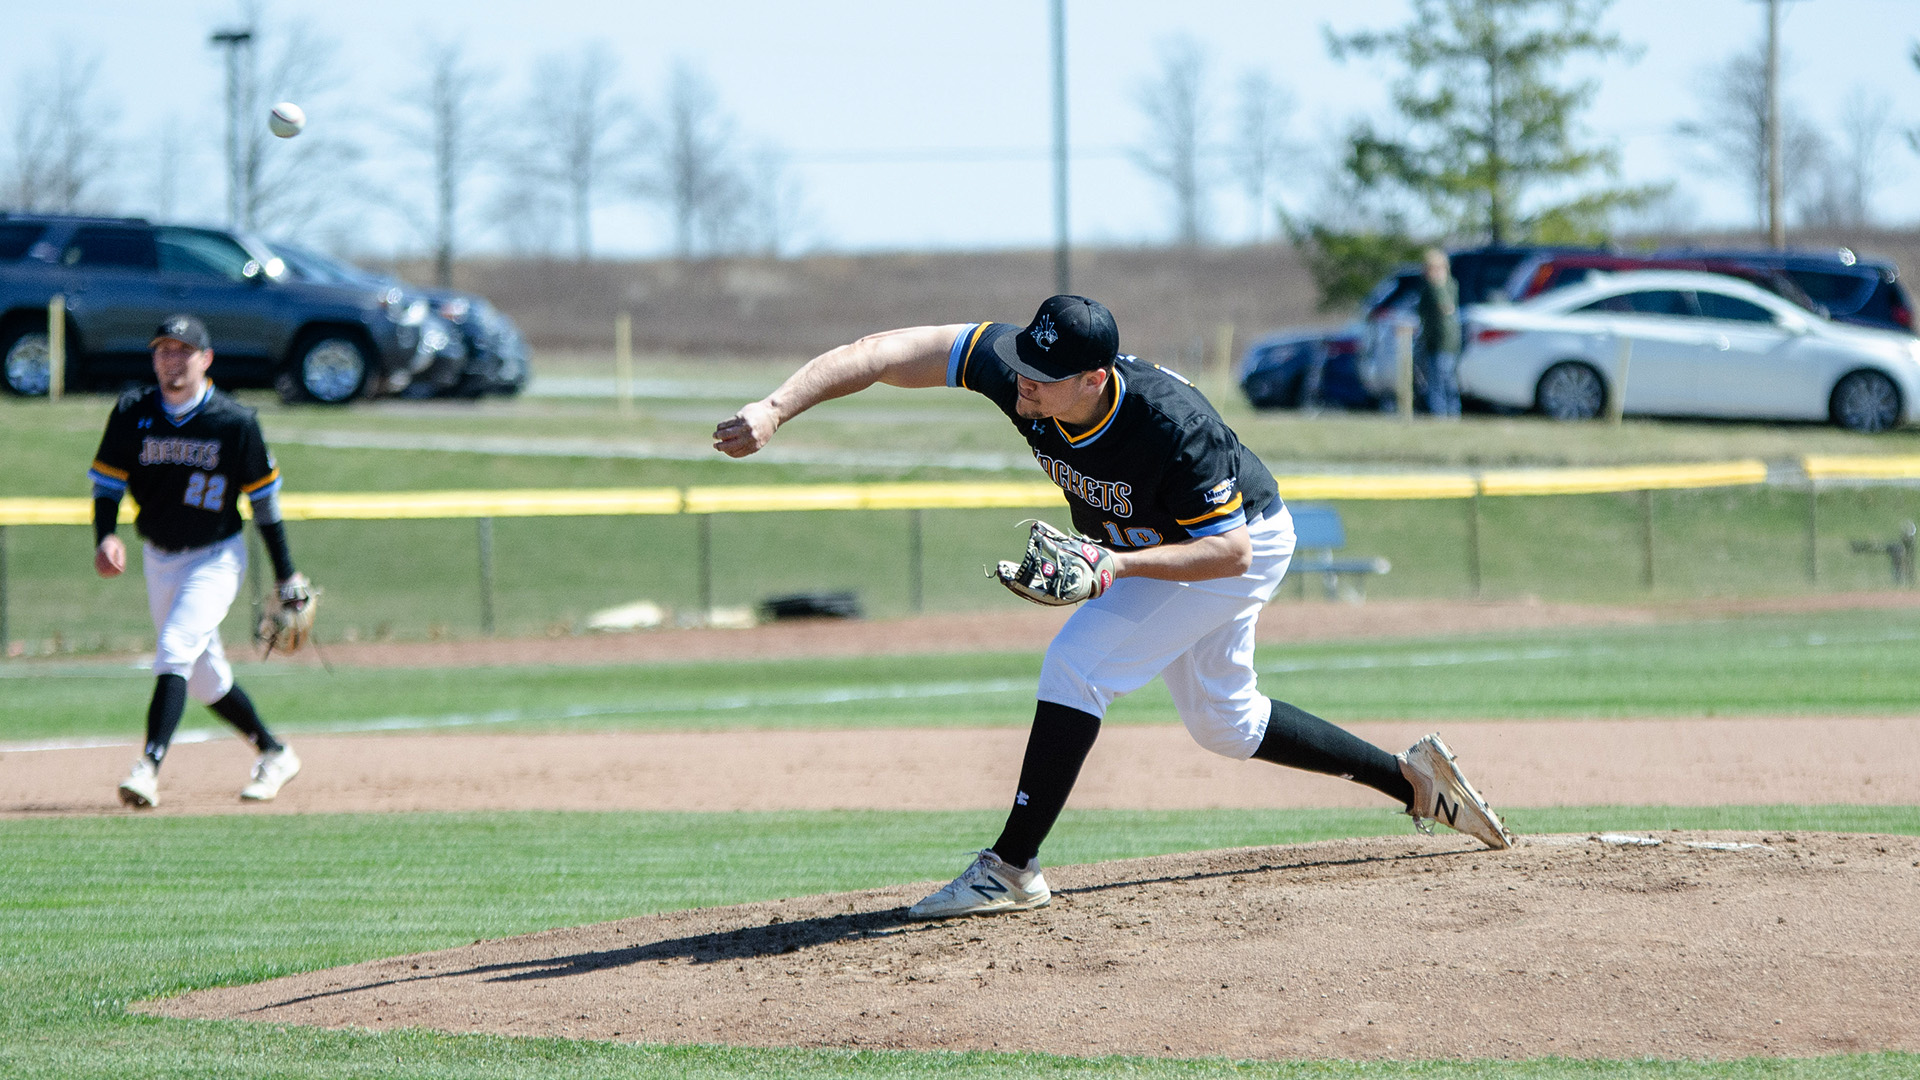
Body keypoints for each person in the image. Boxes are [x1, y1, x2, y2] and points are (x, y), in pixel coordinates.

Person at [713, 295, 1513, 920]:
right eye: (1021, 365)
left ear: (1096, 378)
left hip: (1238, 544)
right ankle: (1414, 782)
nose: (1020, 382)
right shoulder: (1022, 373)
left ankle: (1010, 870)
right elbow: (880, 354)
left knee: (1077, 662)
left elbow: (1229, 552)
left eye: (1042, 377)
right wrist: (776, 408)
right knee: (1223, 722)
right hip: (1162, 549)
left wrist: (1112, 567)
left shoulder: (1170, 426)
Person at [90, 314, 305, 809]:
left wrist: (286, 572)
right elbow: (106, 484)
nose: (172, 360)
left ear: (205, 359)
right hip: (158, 557)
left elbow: (265, 504)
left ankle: (148, 766)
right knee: (206, 678)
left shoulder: (235, 423)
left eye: (183, 351)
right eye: (163, 350)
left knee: (174, 647)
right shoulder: (132, 413)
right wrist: (105, 536)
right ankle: (275, 753)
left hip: (215, 557)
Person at [1415, 248, 1462, 417]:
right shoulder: (1428, 287)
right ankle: (1441, 414)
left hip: (1445, 341)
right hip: (1431, 340)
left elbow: (1447, 308)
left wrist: (1438, 286)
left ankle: (1445, 414)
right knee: (1438, 380)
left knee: (1444, 381)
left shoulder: (1445, 286)